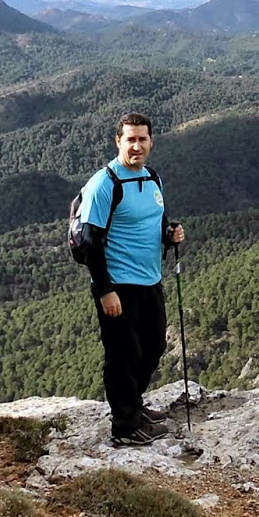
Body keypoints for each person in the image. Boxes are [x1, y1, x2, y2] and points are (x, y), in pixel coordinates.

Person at [77, 112, 186, 446]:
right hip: (119, 285)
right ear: (118, 142)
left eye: (143, 139)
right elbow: (89, 243)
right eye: (130, 139)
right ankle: (125, 427)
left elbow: (155, 222)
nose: (137, 146)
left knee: (152, 348)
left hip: (150, 280)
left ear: (151, 141)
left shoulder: (152, 179)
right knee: (123, 355)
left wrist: (170, 234)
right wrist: (105, 290)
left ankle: (133, 406)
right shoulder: (104, 184)